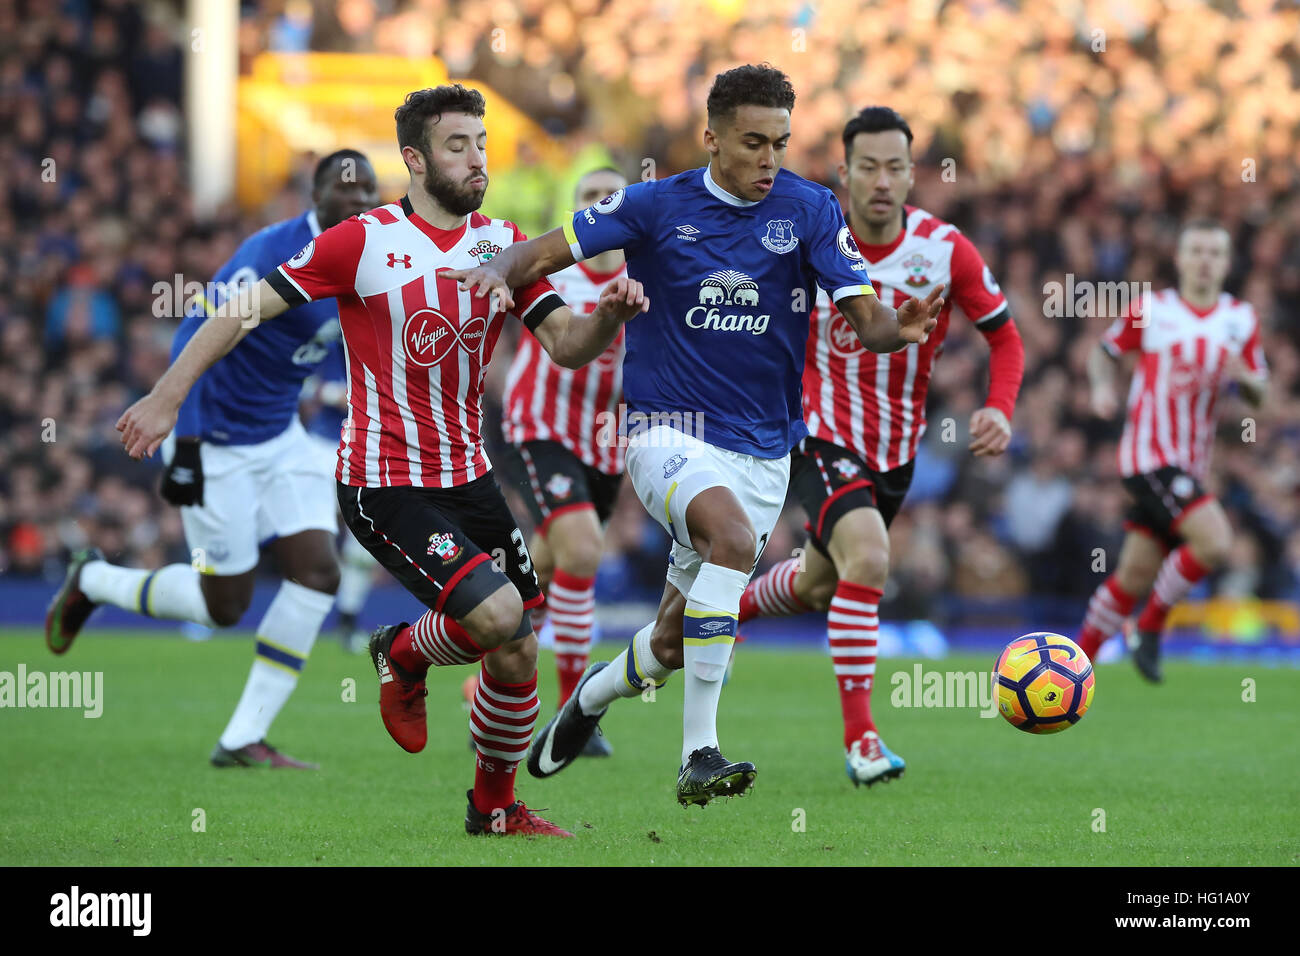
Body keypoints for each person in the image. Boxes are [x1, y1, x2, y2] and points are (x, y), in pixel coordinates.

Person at [113, 84, 648, 837]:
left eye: (481, 144)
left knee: (519, 649)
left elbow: (564, 345)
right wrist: (168, 397)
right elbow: (237, 309)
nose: (476, 159)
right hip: (384, 481)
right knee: (497, 616)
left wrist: (608, 318)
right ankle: (402, 649)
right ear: (415, 159)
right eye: (457, 146)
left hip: (469, 476)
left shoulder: (505, 243)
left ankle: (492, 809)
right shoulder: (359, 242)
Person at [449, 65, 943, 807]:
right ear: (711, 137)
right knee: (736, 542)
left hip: (765, 449)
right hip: (664, 431)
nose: (768, 161)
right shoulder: (652, 205)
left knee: (675, 641)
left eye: (779, 143)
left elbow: (865, 315)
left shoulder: (809, 210)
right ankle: (699, 754)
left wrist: (894, 331)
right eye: (752, 143)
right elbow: (541, 254)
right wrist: (495, 270)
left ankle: (594, 692)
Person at [46, 149, 380, 770]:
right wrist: (188, 442)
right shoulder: (272, 252)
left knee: (319, 572)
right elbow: (194, 330)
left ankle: (242, 738)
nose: (359, 201)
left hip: (282, 438)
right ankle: (93, 580)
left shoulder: (369, 260)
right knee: (222, 606)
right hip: (214, 437)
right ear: (315, 196)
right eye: (345, 189)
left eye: (369, 193)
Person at [738, 107, 1024, 786]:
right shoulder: (809, 241)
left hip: (894, 450)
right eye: (867, 166)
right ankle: (862, 740)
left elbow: (1006, 338)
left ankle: (720, 608)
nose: (882, 180)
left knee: (819, 583)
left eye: (895, 166)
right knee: (869, 556)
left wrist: (999, 409)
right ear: (844, 173)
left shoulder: (944, 249)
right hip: (816, 430)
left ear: (911, 173)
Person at [1077, 219, 1267, 681]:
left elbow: (1261, 394)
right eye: (1196, 251)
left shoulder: (1239, 320)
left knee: (1134, 574)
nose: (1205, 261)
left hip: (1191, 464)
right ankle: (1150, 625)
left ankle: (1072, 665)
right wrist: (1102, 389)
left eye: (1215, 253)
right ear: (1179, 258)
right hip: (1147, 456)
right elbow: (1102, 352)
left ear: (1226, 263)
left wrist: (1247, 380)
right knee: (1216, 541)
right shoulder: (1153, 309)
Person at [495, 166, 630, 757]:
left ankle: (485, 664)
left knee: (542, 570)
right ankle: (576, 712)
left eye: (611, 198)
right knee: (581, 549)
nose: (599, 207)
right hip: (540, 426)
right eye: (587, 198)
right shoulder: (552, 270)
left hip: (606, 442)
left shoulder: (650, 278)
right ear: (574, 210)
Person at [300, 340, 380, 653]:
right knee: (311, 536)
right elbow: (301, 381)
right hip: (322, 449)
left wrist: (342, 396)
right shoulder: (330, 334)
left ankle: (347, 622)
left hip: (367, 452)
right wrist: (332, 394)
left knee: (363, 546)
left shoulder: (385, 332)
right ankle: (302, 616)